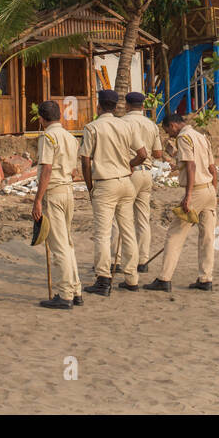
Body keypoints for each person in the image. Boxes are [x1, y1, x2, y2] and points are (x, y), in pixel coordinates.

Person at [79, 88, 147, 296]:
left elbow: (85, 160)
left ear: (98, 106)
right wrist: (129, 165)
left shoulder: (92, 128)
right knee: (128, 231)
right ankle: (131, 278)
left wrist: (89, 186)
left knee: (102, 233)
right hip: (126, 182)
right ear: (116, 106)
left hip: (105, 183)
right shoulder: (126, 125)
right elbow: (143, 154)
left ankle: (103, 279)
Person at [146, 113, 219, 293]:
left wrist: (188, 196)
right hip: (209, 190)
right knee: (207, 237)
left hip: (197, 191)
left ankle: (164, 278)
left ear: (173, 125)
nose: (169, 135)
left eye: (168, 130)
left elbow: (191, 166)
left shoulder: (184, 137)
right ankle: (206, 278)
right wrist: (214, 191)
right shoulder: (201, 137)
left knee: (175, 234)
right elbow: (212, 167)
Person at [33, 100, 83, 310]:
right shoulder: (70, 138)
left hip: (53, 192)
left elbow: (46, 169)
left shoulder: (48, 137)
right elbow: (74, 170)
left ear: (42, 119)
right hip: (68, 191)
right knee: (67, 243)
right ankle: (75, 290)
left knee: (59, 246)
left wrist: (38, 200)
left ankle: (65, 295)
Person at [119, 91, 163, 275]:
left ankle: (118, 259)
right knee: (143, 219)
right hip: (147, 173)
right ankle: (143, 260)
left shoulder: (122, 123)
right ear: (143, 106)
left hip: (129, 171)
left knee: (121, 217)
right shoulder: (151, 124)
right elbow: (158, 154)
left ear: (127, 105)